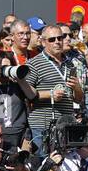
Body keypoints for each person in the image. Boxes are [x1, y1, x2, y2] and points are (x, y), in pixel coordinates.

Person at [26, 24, 83, 153]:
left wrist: (77, 87)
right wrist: (50, 94)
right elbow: (25, 94)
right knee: (43, 168)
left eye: (60, 38)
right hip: (42, 127)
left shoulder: (70, 64)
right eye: (52, 39)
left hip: (65, 126)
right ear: (43, 42)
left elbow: (79, 99)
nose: (57, 42)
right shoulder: (34, 63)